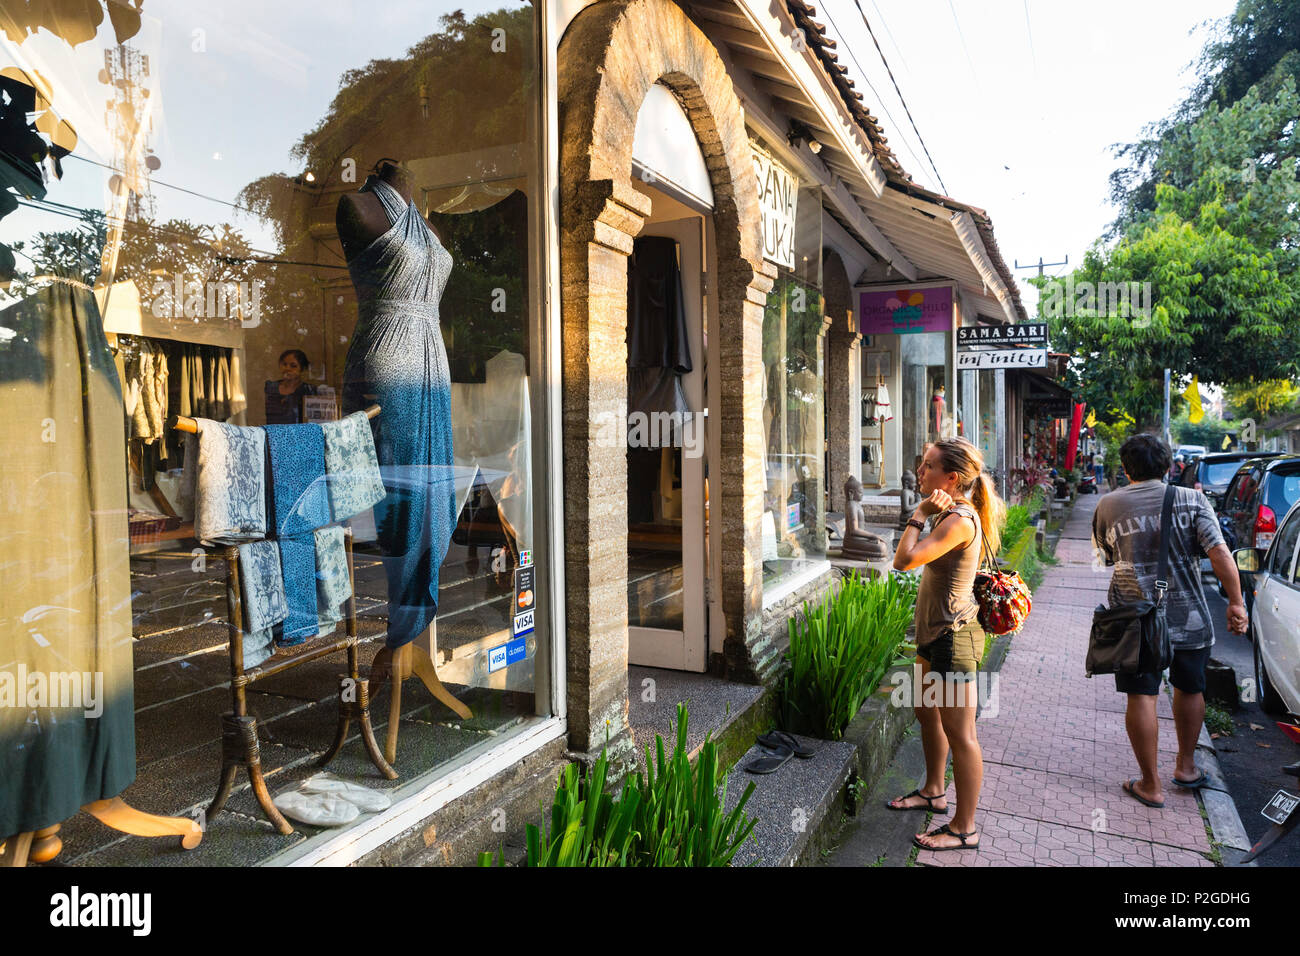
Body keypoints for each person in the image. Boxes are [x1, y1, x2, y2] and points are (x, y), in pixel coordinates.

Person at [1091, 434, 1248, 809]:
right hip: (1189, 617)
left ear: (1126, 468)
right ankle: (1187, 767)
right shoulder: (1193, 500)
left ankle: (1150, 784)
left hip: (1133, 619)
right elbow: (1220, 553)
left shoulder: (1108, 504)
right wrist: (1237, 603)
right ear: (1169, 466)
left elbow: (1105, 559)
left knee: (1141, 694)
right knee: (1190, 687)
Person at [886, 436, 1006, 852]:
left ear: (950, 478)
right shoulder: (949, 512)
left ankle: (964, 828)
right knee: (927, 714)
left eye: (927, 466)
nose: (920, 471)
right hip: (933, 635)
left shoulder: (957, 520)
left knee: (961, 733)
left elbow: (902, 561)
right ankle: (935, 790)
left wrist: (918, 514)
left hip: (955, 639)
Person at [265, 348, 317, 424]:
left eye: (293, 366)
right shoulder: (270, 388)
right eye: (284, 364)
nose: (287, 368)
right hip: (272, 433)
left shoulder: (308, 390)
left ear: (302, 369)